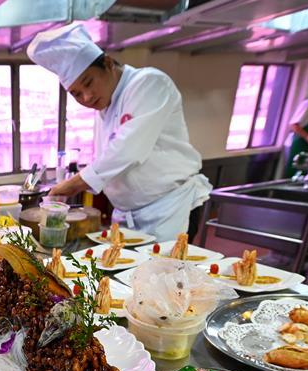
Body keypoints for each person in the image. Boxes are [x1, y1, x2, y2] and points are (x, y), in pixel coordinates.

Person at [28, 23, 211, 242]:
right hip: (126, 216)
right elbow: (108, 160)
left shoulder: (149, 83)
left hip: (169, 209)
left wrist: (73, 184)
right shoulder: (104, 107)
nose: (87, 97)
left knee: (164, 264)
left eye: (88, 83)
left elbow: (127, 150)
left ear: (107, 63)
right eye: (76, 94)